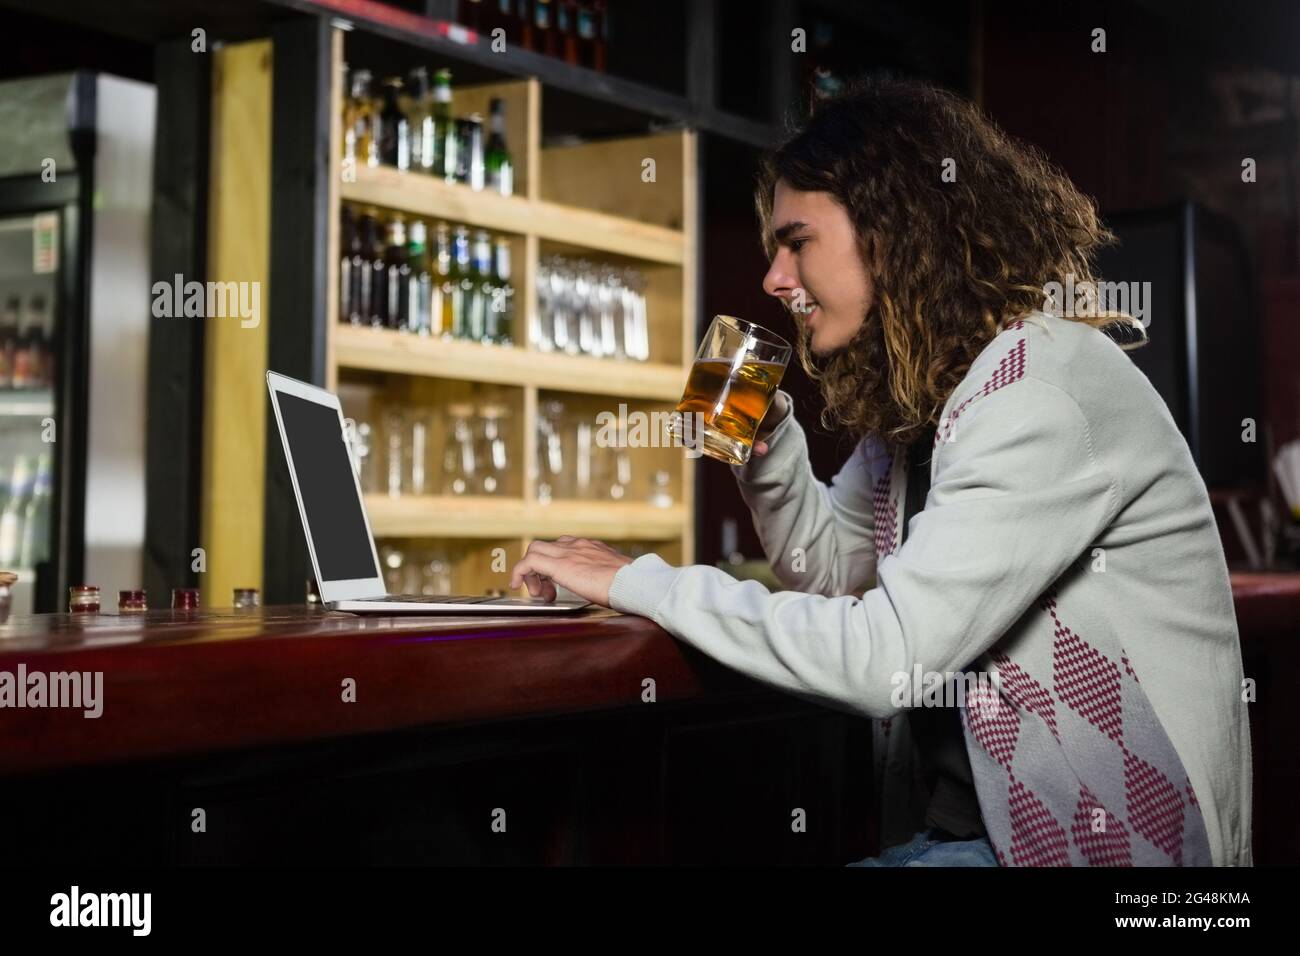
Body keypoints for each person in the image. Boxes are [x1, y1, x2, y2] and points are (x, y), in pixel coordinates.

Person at [508, 75, 1252, 867]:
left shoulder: (1041, 385)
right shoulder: (936, 401)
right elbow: (828, 572)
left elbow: (882, 658)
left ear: (895, 229)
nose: (773, 280)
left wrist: (636, 580)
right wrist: (769, 455)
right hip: (968, 840)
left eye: (796, 243)